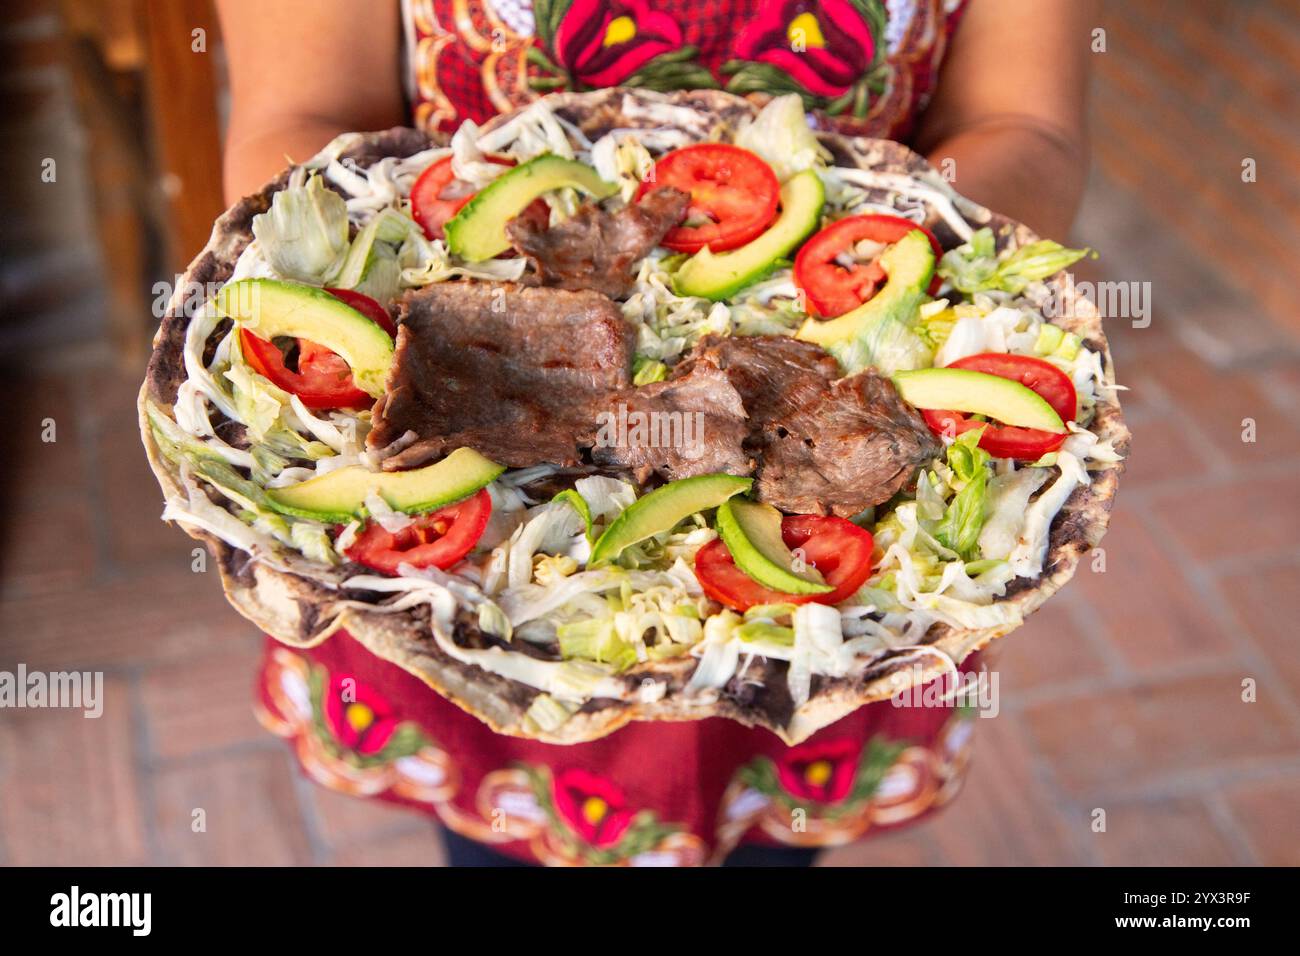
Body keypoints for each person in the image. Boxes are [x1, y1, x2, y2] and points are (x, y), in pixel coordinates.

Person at [220, 0, 1096, 867]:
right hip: (463, 557)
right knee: (506, 829)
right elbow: (295, 120)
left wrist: (866, 246)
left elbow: (1025, 127)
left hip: (823, 579)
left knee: (771, 839)